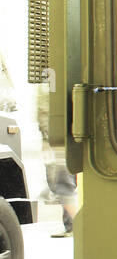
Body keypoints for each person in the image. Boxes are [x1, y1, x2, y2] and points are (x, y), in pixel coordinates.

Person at [37, 87, 77, 237]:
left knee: (62, 184)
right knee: (62, 184)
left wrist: (51, 139)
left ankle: (76, 225)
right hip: (59, 139)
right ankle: (73, 225)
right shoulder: (52, 80)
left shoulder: (52, 81)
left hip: (58, 141)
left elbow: (46, 112)